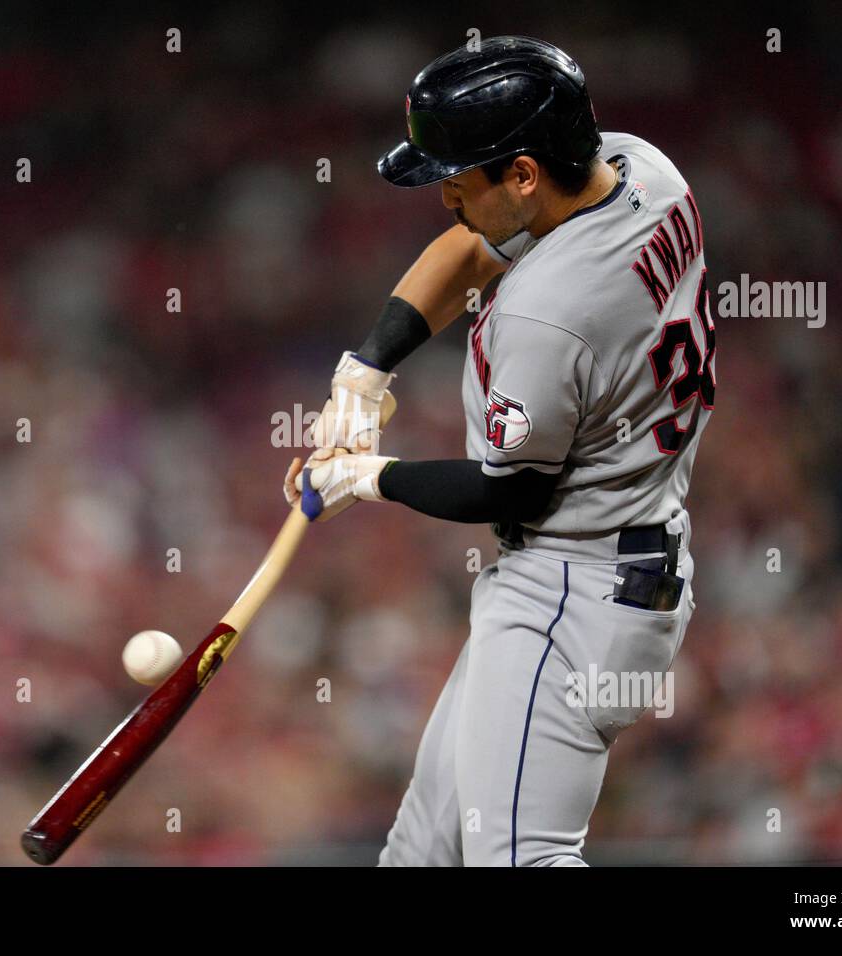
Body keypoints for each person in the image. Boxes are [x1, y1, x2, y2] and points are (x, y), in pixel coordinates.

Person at [284, 36, 716, 865]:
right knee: (423, 851)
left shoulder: (550, 311)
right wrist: (363, 375)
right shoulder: (641, 169)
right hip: (607, 567)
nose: (445, 196)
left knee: (520, 859)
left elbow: (508, 491)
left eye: (460, 177)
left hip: (574, 587)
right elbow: (477, 246)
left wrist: (367, 477)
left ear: (522, 172)